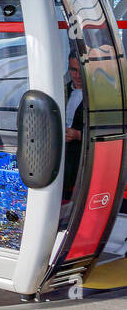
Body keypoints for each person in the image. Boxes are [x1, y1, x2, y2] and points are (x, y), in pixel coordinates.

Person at [64, 49, 84, 202]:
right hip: (61, 156)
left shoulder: (100, 95)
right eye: (73, 70)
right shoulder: (62, 90)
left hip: (84, 158)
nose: (77, 75)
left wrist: (78, 135)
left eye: (81, 70)